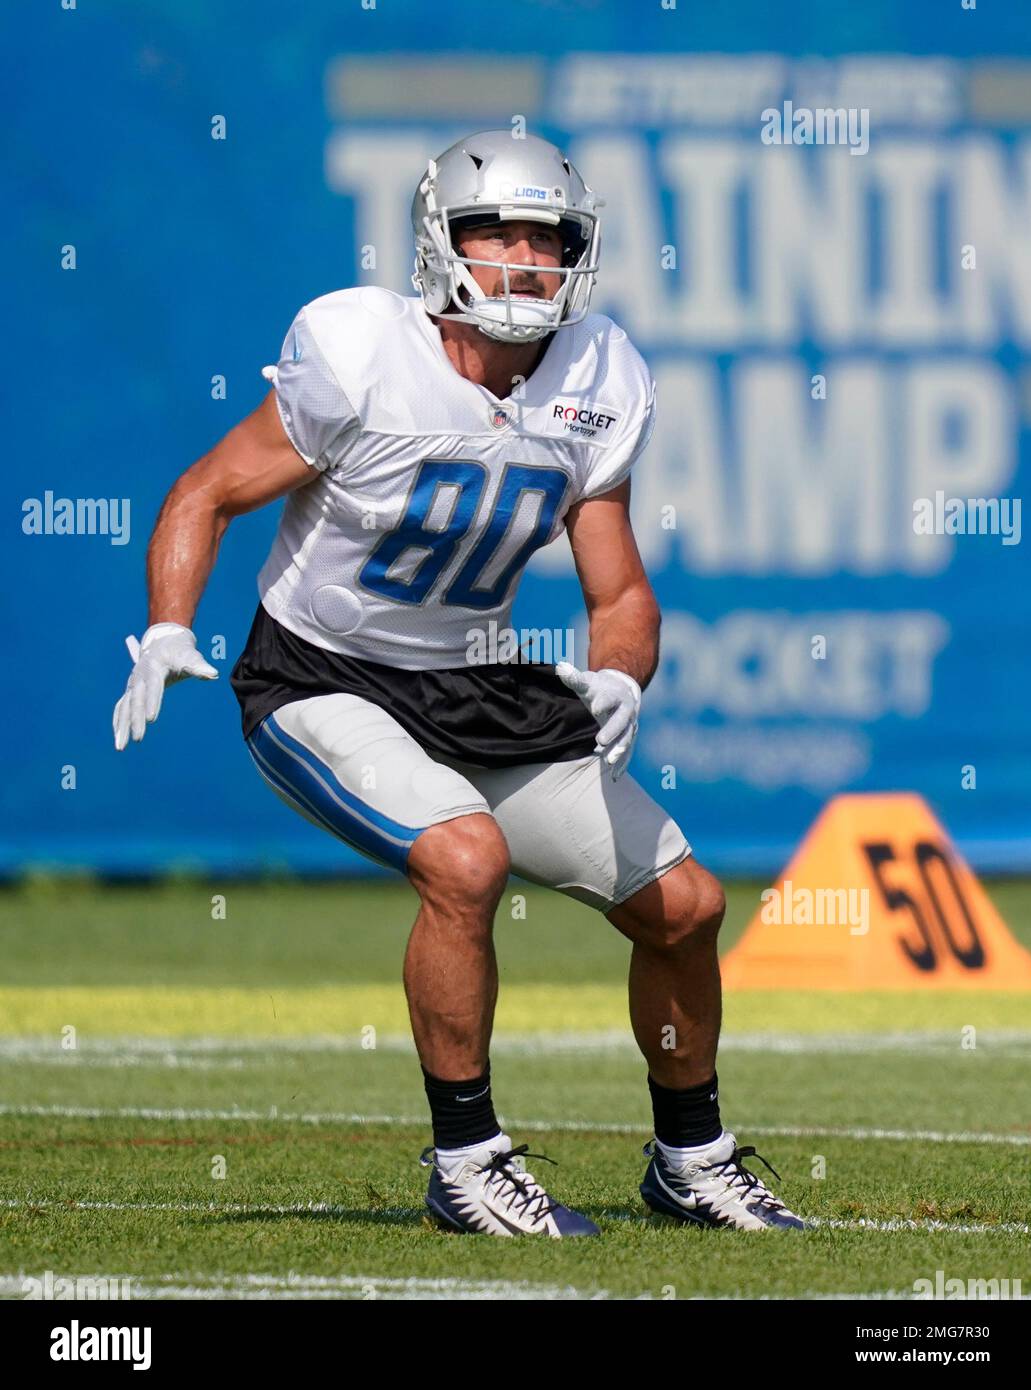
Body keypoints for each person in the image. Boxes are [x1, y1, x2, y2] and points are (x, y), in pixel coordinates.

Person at [113, 129, 803, 1237]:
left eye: (548, 237)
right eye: (500, 232)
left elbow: (618, 592)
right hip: (320, 673)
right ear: (441, 241)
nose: (526, 259)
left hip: (468, 684)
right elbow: (203, 492)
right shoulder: (356, 351)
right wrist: (164, 626)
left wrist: (623, 677)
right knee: (464, 857)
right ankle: (467, 1160)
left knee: (685, 908)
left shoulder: (600, 373)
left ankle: (690, 1160)